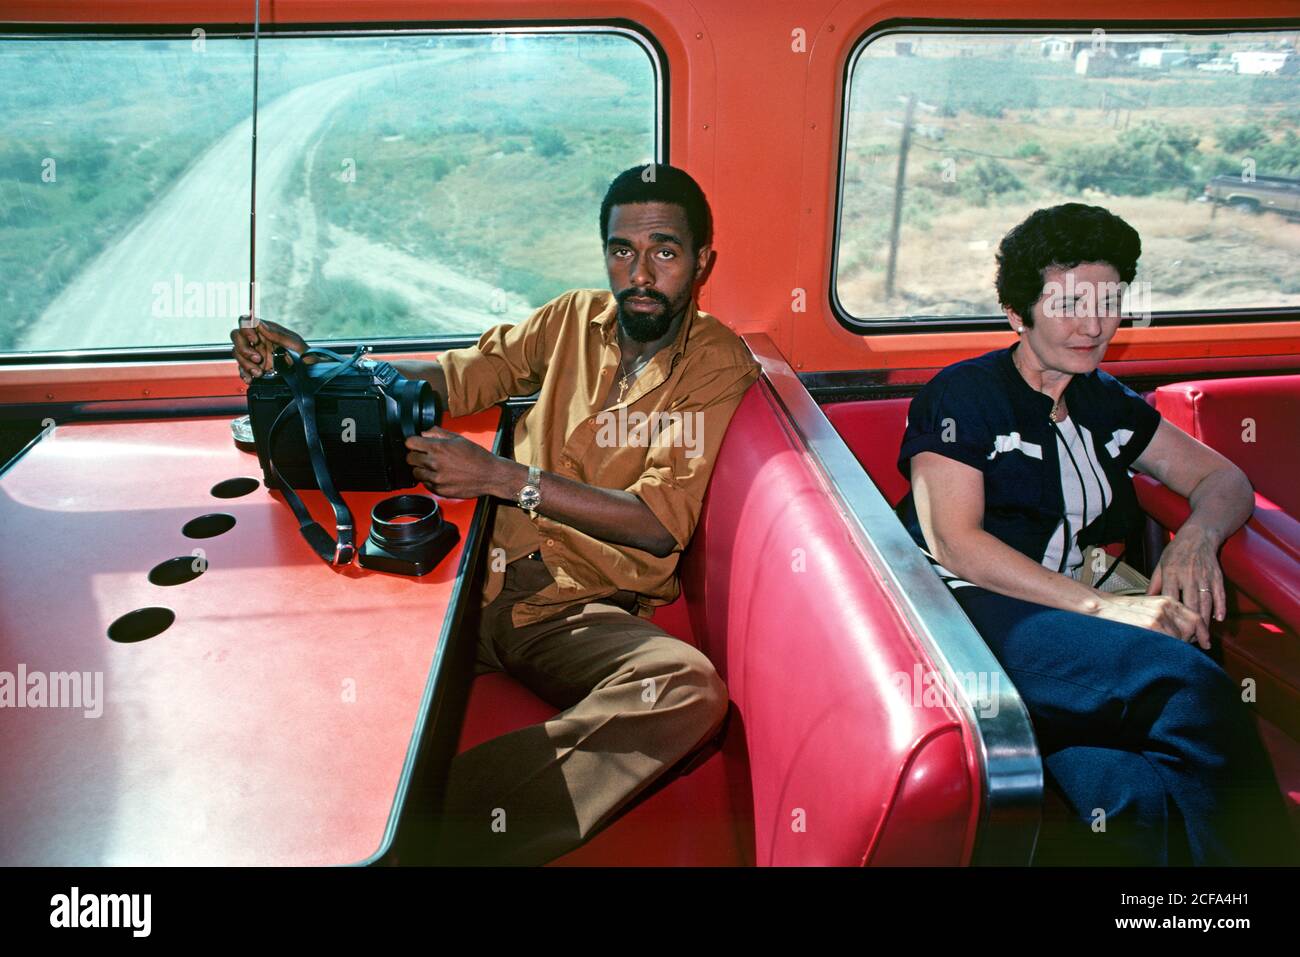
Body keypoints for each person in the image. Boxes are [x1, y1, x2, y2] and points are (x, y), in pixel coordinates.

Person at [231, 164, 760, 865]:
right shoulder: (570, 320)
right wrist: (320, 367)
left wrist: (505, 478)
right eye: (621, 250)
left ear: (701, 262)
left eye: (664, 251)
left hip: (572, 610)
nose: (639, 274)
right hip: (472, 576)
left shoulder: (716, 364)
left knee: (686, 691)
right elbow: (462, 376)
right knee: (305, 646)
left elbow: (658, 525)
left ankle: (430, 833)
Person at [894, 202, 1297, 866]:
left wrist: (1196, 537)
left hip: (1062, 615)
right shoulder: (963, 396)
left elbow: (1224, 479)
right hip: (960, 617)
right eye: (1070, 304)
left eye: (1109, 302)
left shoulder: (1099, 399)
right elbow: (955, 543)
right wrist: (1107, 608)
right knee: (1185, 684)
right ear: (1018, 313)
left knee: (1127, 792)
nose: (1094, 323)